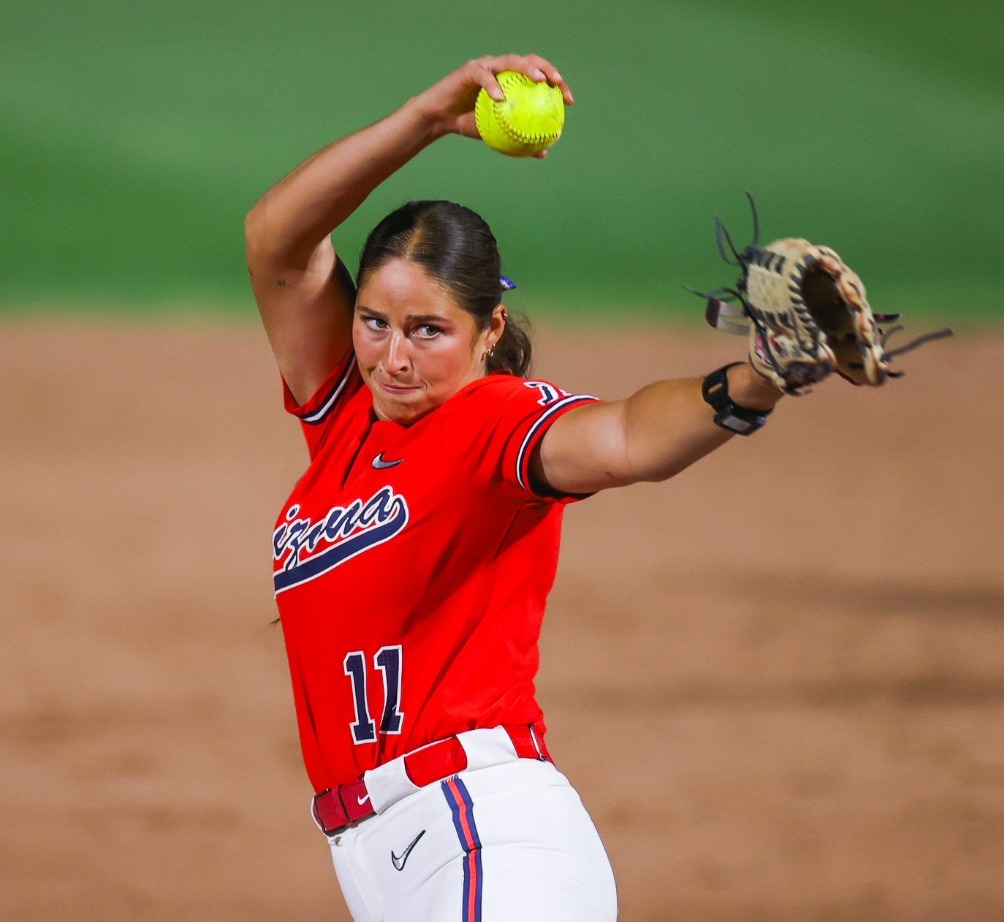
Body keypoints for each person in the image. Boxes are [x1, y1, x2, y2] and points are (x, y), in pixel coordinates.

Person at [244, 54, 785, 922]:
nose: (393, 356)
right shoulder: (344, 414)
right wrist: (423, 119)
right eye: (374, 322)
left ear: (489, 329)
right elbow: (276, 237)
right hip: (384, 863)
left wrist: (750, 382)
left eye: (428, 330)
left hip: (484, 834)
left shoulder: (492, 423)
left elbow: (624, 437)